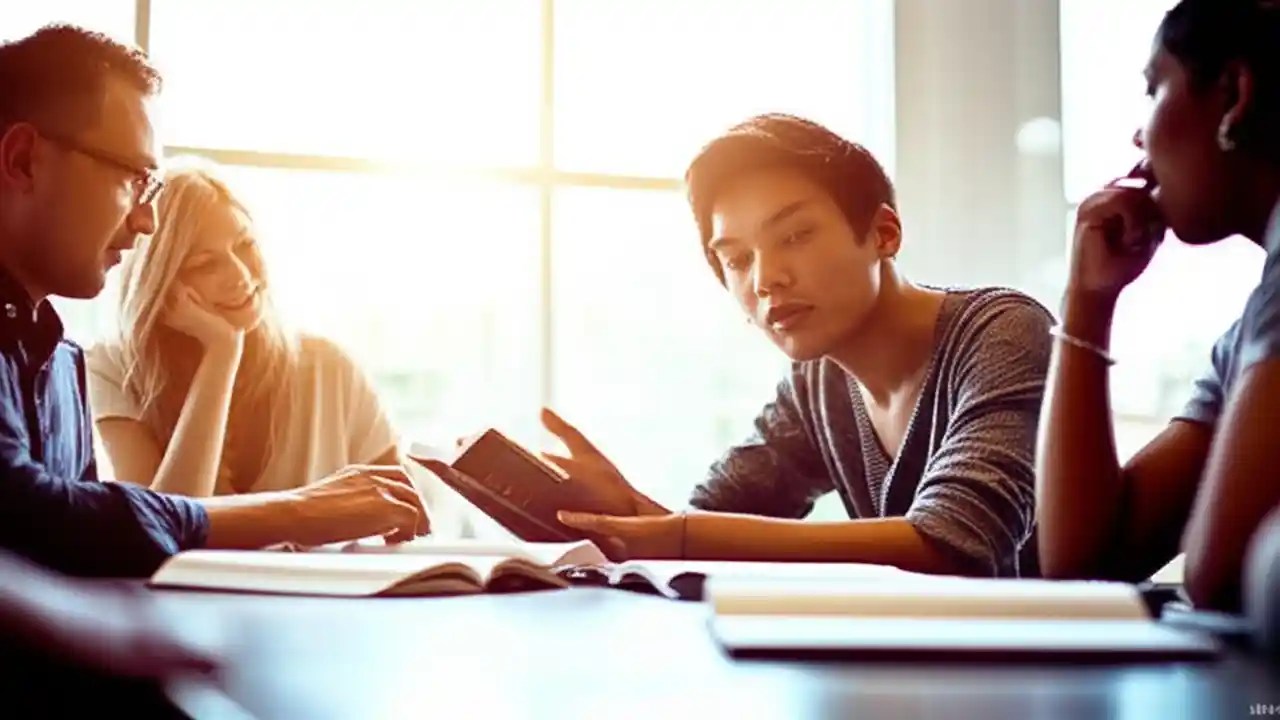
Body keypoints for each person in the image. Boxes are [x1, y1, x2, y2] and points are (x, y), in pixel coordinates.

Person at [425, 114, 1054, 577]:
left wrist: (666, 533)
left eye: (796, 236)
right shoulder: (817, 384)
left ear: (884, 232)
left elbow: (956, 542)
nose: (765, 279)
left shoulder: (1002, 332)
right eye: (736, 259)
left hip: (1062, 667)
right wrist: (623, 508)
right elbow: (711, 524)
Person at [0, 24, 427, 578]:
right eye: (134, 179)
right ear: (24, 160)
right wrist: (299, 512)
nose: (145, 220)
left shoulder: (60, 359)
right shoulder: (104, 365)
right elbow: (32, 515)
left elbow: (92, 555)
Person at [1036, 0, 1280, 611]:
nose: (1140, 136)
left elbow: (1216, 572)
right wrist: (1087, 302)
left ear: (1235, 94)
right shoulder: (1250, 329)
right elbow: (1084, 562)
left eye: (1154, 89)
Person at [87, 158, 400, 498]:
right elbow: (155, 530)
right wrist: (222, 353)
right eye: (206, 264)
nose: (240, 274)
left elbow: (403, 512)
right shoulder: (114, 368)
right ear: (161, 286)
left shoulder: (328, 367)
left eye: (245, 246)